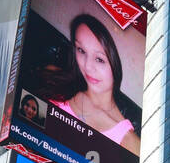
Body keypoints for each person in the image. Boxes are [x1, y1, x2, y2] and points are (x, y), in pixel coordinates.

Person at [49, 13, 140, 155]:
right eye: (81, 50)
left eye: (99, 59)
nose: (87, 66)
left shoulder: (129, 142)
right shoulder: (55, 80)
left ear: (115, 66)